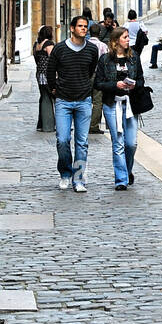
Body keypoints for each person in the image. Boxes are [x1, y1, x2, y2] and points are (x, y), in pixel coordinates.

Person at [46, 15, 99, 192]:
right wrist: (54, 90)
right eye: (80, 26)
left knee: (82, 142)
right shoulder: (60, 49)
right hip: (63, 100)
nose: (84, 29)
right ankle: (65, 173)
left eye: (85, 26)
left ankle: (79, 179)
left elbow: (90, 71)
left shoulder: (92, 50)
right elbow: (50, 72)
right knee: (62, 140)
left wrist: (86, 89)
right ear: (72, 28)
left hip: (84, 100)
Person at [94, 26, 146, 190]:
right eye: (125, 37)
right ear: (116, 41)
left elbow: (141, 80)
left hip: (131, 104)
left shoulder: (134, 57)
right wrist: (114, 85)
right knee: (118, 143)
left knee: (131, 143)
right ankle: (121, 180)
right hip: (112, 104)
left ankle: (127, 170)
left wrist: (134, 85)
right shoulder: (104, 60)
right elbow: (98, 83)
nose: (128, 40)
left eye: (127, 37)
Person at [33, 27, 56, 133]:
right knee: (50, 97)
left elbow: (36, 58)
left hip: (39, 73)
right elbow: (53, 58)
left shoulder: (37, 44)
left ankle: (42, 124)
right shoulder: (48, 44)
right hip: (47, 74)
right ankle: (49, 124)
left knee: (43, 97)